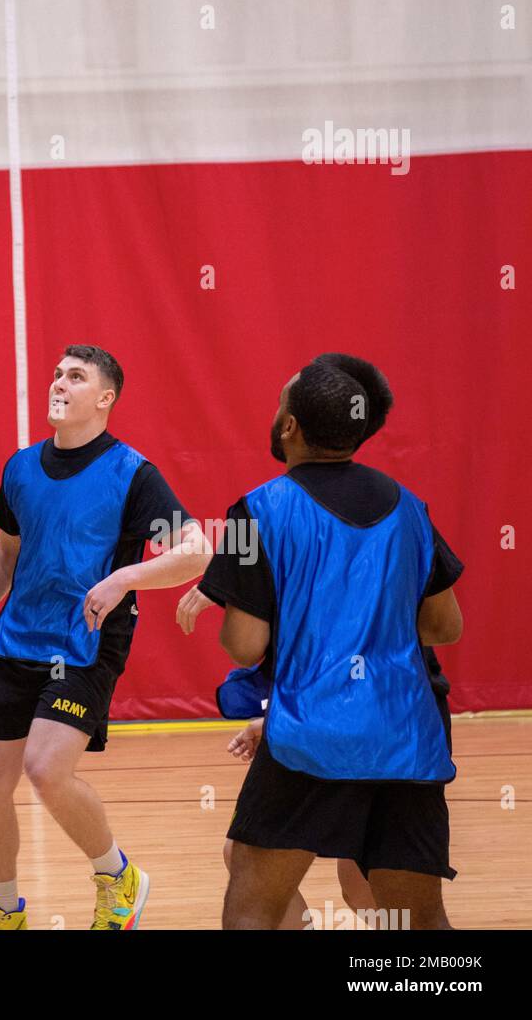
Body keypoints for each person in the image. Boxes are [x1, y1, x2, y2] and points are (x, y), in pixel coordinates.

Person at [0, 346, 211, 930]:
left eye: (76, 377)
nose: (59, 383)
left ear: (105, 398)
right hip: (16, 640)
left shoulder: (133, 474)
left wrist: (124, 578)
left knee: (45, 767)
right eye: (58, 373)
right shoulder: (21, 467)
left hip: (86, 642)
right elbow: (6, 551)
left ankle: (118, 877)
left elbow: (198, 550)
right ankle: (4, 911)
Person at [193, 353, 463, 931]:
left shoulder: (254, 512)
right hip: (406, 734)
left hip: (309, 738)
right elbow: (446, 627)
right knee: (418, 919)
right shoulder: (410, 509)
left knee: (252, 905)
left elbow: (244, 645)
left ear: (289, 426)